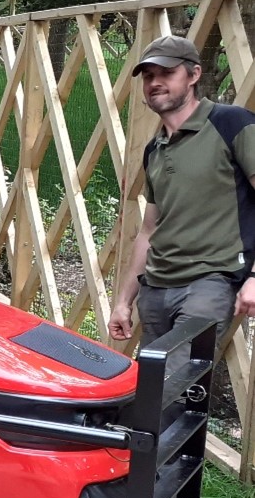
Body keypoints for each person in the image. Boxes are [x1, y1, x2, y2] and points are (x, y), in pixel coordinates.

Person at [108, 35, 255, 350]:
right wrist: (124, 301)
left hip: (208, 284)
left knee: (170, 391)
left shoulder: (231, 124)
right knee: (156, 391)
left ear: (194, 75)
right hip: (156, 290)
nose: (155, 83)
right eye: (149, 76)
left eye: (166, 73)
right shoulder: (154, 149)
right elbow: (149, 230)